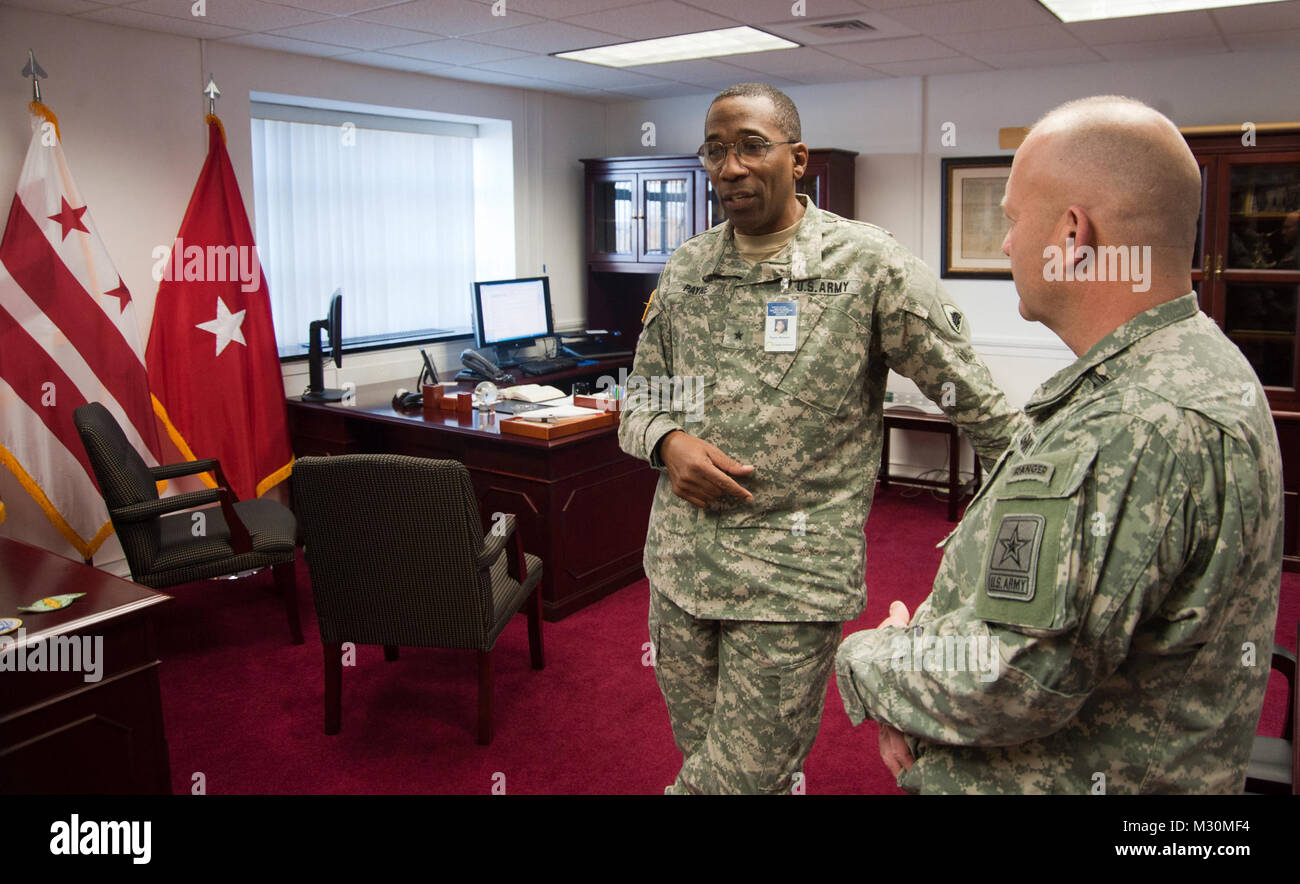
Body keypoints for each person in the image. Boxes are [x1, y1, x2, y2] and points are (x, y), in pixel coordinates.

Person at [835, 95, 1284, 794]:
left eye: (1014, 220)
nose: (1008, 243)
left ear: (1073, 234)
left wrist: (875, 661)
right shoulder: (1190, 365)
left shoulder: (1135, 419)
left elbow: (1008, 681)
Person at [617, 82, 1027, 794]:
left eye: (751, 145)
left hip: (790, 582)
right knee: (716, 763)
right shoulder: (688, 268)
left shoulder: (867, 267)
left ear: (797, 157)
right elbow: (641, 401)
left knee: (735, 782)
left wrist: (1035, 537)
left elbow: (983, 409)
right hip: (680, 575)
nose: (731, 167)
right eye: (716, 150)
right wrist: (665, 443)